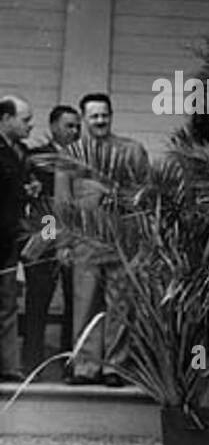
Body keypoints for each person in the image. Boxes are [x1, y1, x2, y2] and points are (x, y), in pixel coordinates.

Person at [58, 92, 149, 386]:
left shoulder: (131, 150)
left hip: (121, 242)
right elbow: (62, 204)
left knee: (120, 306)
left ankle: (114, 368)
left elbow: (144, 198)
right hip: (85, 242)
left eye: (104, 115)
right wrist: (62, 245)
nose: (100, 121)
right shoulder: (70, 156)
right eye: (94, 116)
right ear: (83, 119)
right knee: (85, 305)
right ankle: (85, 367)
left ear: (111, 116)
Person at [22, 105, 81, 375]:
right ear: (54, 126)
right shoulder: (35, 156)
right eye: (69, 126)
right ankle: (31, 363)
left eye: (77, 126)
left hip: (74, 235)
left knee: (75, 301)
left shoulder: (83, 159)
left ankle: (71, 363)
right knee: (39, 299)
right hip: (45, 230)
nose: (75, 131)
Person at [0, 97, 39, 382]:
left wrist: (31, 189)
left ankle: (9, 366)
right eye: (25, 120)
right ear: (5, 119)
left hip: (9, 240)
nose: (30, 125)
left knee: (8, 303)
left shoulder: (22, 153)